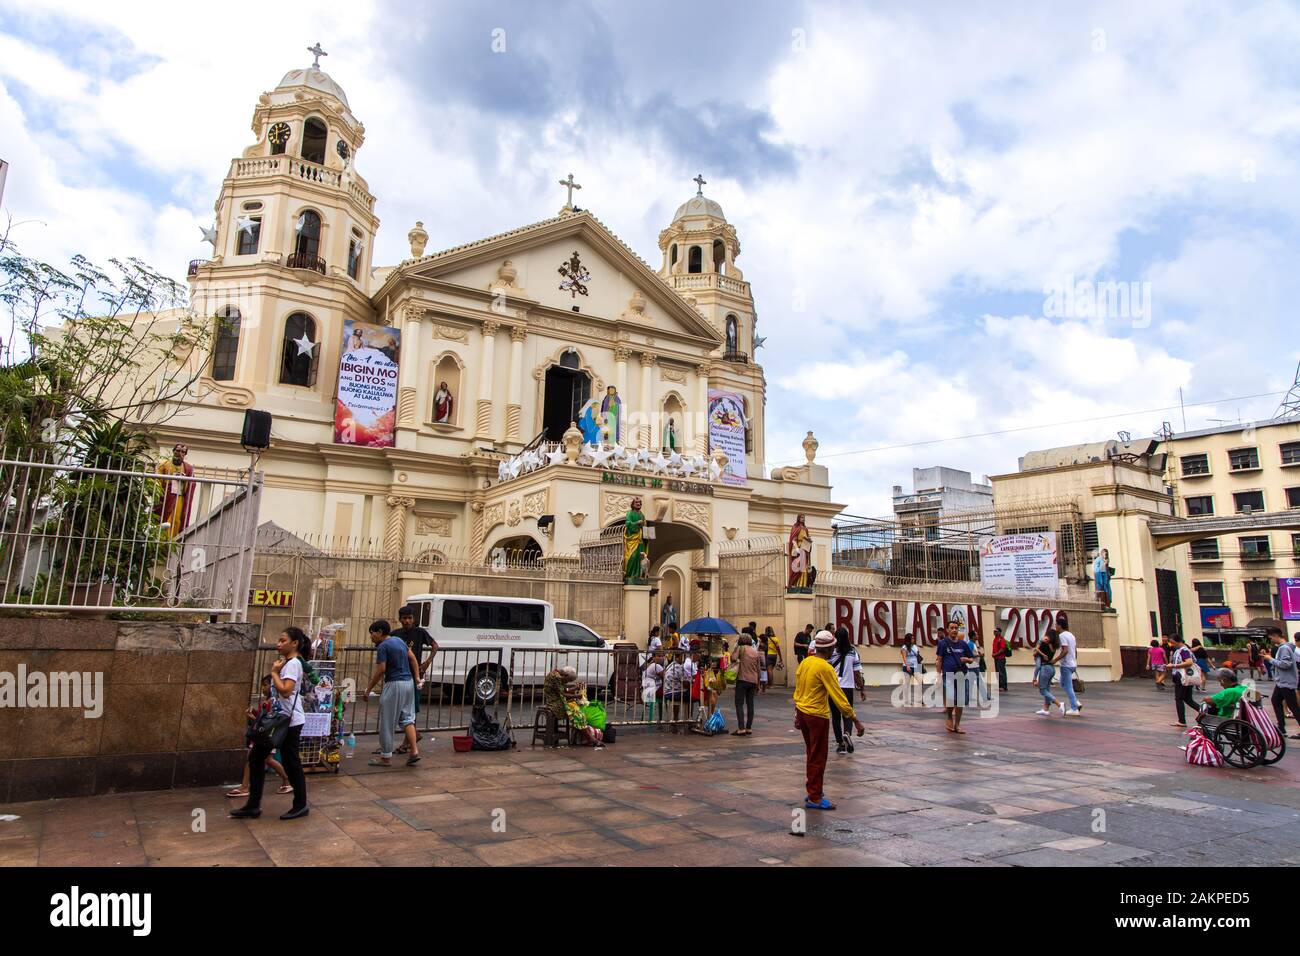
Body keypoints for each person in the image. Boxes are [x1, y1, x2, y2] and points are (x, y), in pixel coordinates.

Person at [230, 628, 310, 820]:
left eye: (283, 640)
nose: (278, 644)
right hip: (278, 719)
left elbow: (285, 691)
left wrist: (274, 672)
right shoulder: (289, 663)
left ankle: (300, 804)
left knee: (291, 762)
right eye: (278, 640)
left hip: (288, 722)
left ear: (295, 643)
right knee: (257, 757)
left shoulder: (292, 665)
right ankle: (253, 804)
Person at [793, 631, 864, 810]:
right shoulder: (825, 668)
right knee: (818, 756)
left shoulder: (806, 662)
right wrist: (855, 720)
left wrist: (796, 713)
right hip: (817, 716)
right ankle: (815, 797)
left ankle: (812, 790)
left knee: (811, 753)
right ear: (831, 648)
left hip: (803, 712)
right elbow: (839, 697)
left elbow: (799, 689)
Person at [359, 619, 423, 767]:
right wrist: (417, 677)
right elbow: (413, 659)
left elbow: (381, 670)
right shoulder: (399, 641)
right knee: (407, 719)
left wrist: (368, 689)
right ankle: (414, 751)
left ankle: (385, 757)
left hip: (394, 684)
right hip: (408, 684)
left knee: (387, 722)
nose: (371, 637)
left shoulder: (383, 646)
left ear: (380, 632)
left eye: (372, 633)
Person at [227, 675, 292, 800]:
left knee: (254, 758)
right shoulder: (268, 700)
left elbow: (267, 721)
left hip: (266, 736)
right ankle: (286, 780)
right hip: (264, 735)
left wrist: (253, 718)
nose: (263, 688)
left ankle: (245, 787)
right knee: (266, 759)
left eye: (265, 685)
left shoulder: (272, 702)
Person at [392, 604, 437, 753]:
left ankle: (408, 742)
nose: (407, 621)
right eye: (404, 618)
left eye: (410, 618)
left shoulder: (419, 632)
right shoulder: (396, 634)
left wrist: (427, 662)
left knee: (412, 709)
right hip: (399, 675)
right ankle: (412, 736)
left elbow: (435, 646)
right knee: (400, 708)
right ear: (400, 619)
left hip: (415, 675)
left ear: (413, 619)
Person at [828, 627, 865, 754]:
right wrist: (862, 689)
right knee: (848, 714)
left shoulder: (831, 651)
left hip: (834, 688)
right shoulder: (853, 652)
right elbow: (856, 673)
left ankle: (840, 743)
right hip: (848, 688)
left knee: (835, 717)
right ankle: (847, 733)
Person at [936, 619, 976, 733]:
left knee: (960, 701)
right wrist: (938, 675)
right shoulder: (943, 643)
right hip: (948, 675)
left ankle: (957, 724)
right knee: (950, 699)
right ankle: (949, 716)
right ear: (948, 630)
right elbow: (939, 660)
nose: (954, 630)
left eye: (956, 628)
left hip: (961, 675)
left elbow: (972, 659)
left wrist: (967, 660)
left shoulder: (963, 644)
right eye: (952, 628)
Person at [1261, 626, 1300, 738]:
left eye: (1271, 638)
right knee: (1276, 701)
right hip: (1283, 681)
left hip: (1286, 681)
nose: (1271, 640)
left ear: (1276, 635)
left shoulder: (1284, 648)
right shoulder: (1289, 646)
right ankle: (1281, 727)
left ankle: (1281, 727)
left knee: (1293, 706)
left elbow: (1285, 664)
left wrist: (1270, 659)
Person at [1166, 633, 1199, 728]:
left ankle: (1182, 720)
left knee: (1179, 699)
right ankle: (1205, 711)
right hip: (1183, 677)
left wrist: (1174, 666)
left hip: (1182, 678)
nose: (1172, 644)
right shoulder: (1180, 650)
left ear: (1178, 641)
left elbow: (1189, 662)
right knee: (1188, 699)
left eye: (1173, 642)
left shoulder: (1183, 650)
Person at [731, 634, 761, 736]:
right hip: (753, 680)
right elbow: (758, 669)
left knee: (739, 703)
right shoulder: (755, 651)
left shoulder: (741, 648)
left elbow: (733, 658)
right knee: (750, 704)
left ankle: (741, 728)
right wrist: (758, 683)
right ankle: (749, 727)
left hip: (742, 679)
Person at [1053, 612, 1081, 716]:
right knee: (1062, 683)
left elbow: (1065, 650)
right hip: (1073, 663)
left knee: (1068, 686)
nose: (1055, 626)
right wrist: (1074, 660)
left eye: (1056, 625)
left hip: (1066, 665)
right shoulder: (1071, 635)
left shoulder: (1062, 636)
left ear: (1060, 626)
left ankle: (1074, 708)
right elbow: (1075, 650)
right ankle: (1076, 702)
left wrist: (1055, 660)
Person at [1033, 629, 1061, 717]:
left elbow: (1035, 652)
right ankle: (1046, 709)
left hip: (1045, 668)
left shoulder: (1044, 644)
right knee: (1047, 689)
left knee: (1043, 690)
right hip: (1051, 668)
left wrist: (1034, 678)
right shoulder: (1054, 646)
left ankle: (1059, 704)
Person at [641, 647, 665, 723]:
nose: (661, 658)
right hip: (653, 690)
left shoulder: (651, 665)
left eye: (662, 656)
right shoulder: (656, 666)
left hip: (647, 690)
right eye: (658, 656)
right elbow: (665, 678)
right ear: (653, 657)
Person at [899, 633, 922, 707]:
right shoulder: (904, 647)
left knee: (920, 681)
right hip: (907, 667)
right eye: (912, 638)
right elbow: (904, 657)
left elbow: (917, 656)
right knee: (907, 684)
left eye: (913, 638)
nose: (913, 639)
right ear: (908, 639)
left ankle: (919, 699)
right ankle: (906, 700)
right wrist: (907, 665)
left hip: (915, 666)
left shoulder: (915, 646)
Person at [991, 627, 1010, 693]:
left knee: (1001, 672)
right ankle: (999, 686)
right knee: (998, 672)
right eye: (994, 631)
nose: (994, 632)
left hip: (1000, 658)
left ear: (999, 632)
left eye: (996, 631)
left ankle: (1003, 686)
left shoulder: (1001, 639)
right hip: (996, 658)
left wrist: (995, 654)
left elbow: (1002, 649)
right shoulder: (995, 639)